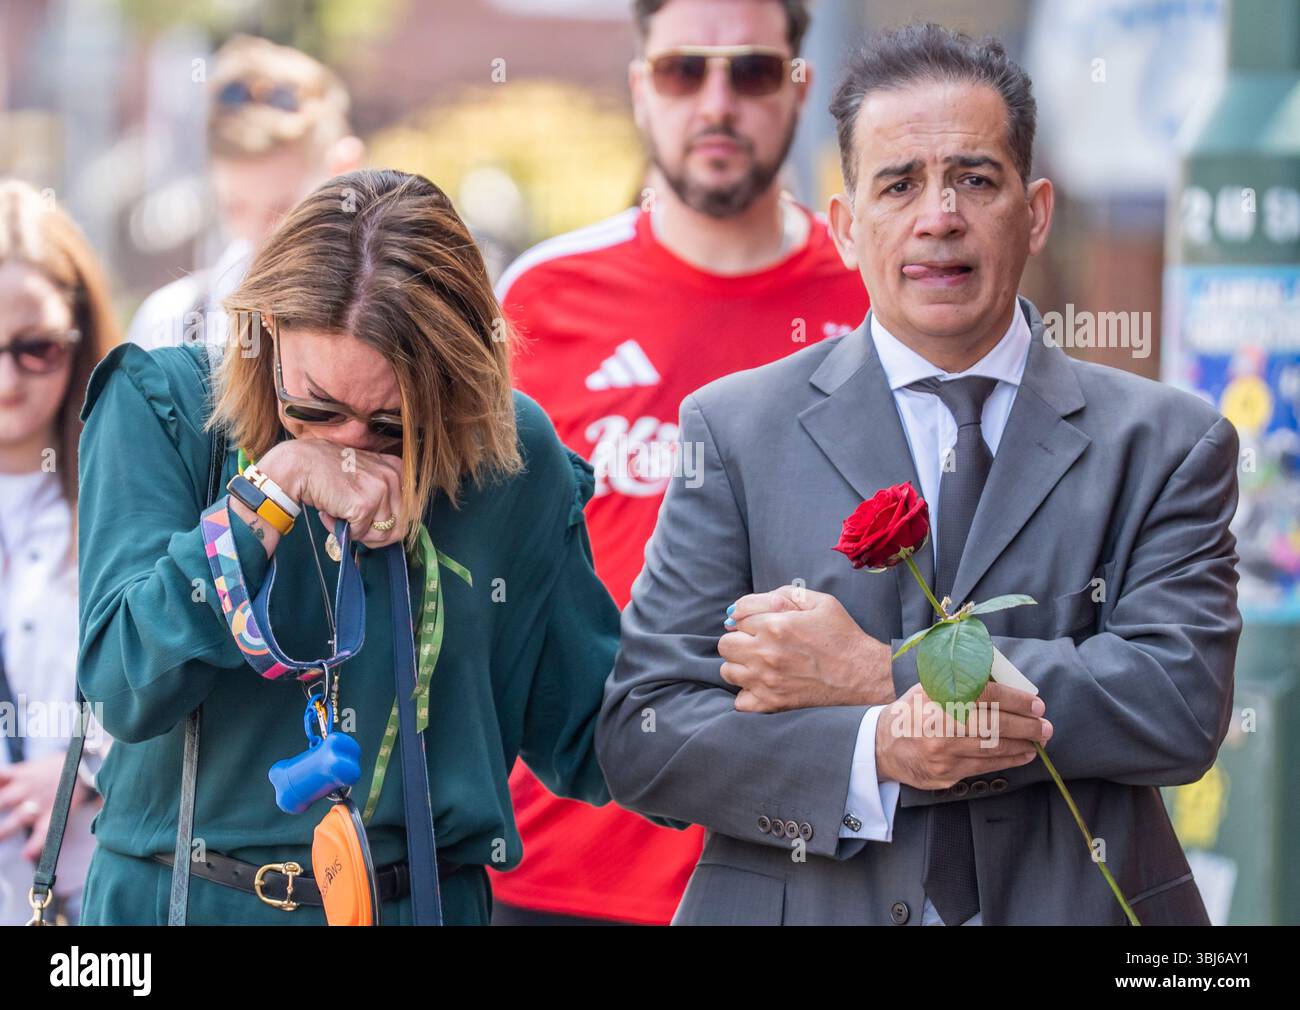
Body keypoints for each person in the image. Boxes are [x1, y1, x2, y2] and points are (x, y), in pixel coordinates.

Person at [597, 23, 1240, 925]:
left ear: (1036, 210)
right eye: (900, 184)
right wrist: (874, 752)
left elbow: (1175, 704)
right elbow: (646, 733)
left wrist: (882, 673)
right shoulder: (734, 430)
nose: (939, 215)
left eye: (975, 178)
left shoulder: (1169, 441)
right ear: (848, 228)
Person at [76, 168, 619, 925]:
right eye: (315, 408)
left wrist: (769, 694)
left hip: (413, 902)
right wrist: (273, 488)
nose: (350, 451)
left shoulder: (507, 452)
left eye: (392, 427)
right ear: (264, 337)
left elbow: (593, 728)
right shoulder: (167, 410)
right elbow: (122, 686)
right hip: (181, 903)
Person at [490, 0, 868, 927]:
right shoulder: (540, 297)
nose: (716, 100)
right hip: (554, 867)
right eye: (682, 70)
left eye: (751, 71)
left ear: (799, 86)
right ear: (639, 88)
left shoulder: (873, 299)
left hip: (803, 863)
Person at [0, 179, 116, 924]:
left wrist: (88, 766)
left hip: (96, 903)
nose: (7, 379)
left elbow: (186, 683)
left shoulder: (128, 497)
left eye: (34, 348)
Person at [128, 34, 364, 355]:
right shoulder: (168, 322)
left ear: (344, 170)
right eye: (234, 208)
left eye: (282, 210)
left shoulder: (392, 318)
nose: (258, 236)